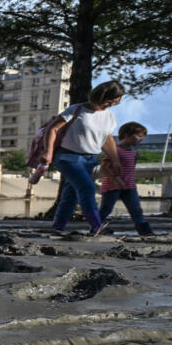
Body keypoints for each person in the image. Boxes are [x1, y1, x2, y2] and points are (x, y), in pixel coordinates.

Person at [41, 80, 125, 235]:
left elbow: (107, 139)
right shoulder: (76, 109)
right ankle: (97, 226)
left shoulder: (109, 116)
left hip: (90, 159)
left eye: (116, 102)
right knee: (87, 188)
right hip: (67, 157)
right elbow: (52, 129)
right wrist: (48, 152)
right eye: (110, 101)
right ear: (101, 95)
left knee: (71, 193)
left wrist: (115, 159)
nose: (112, 104)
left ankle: (58, 226)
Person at [99, 121, 155, 236]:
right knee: (106, 209)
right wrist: (116, 179)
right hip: (112, 187)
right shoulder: (115, 151)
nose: (141, 139)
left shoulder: (133, 152)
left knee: (136, 209)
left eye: (142, 136)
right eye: (139, 136)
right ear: (127, 135)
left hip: (129, 186)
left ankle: (144, 231)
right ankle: (96, 227)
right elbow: (104, 168)